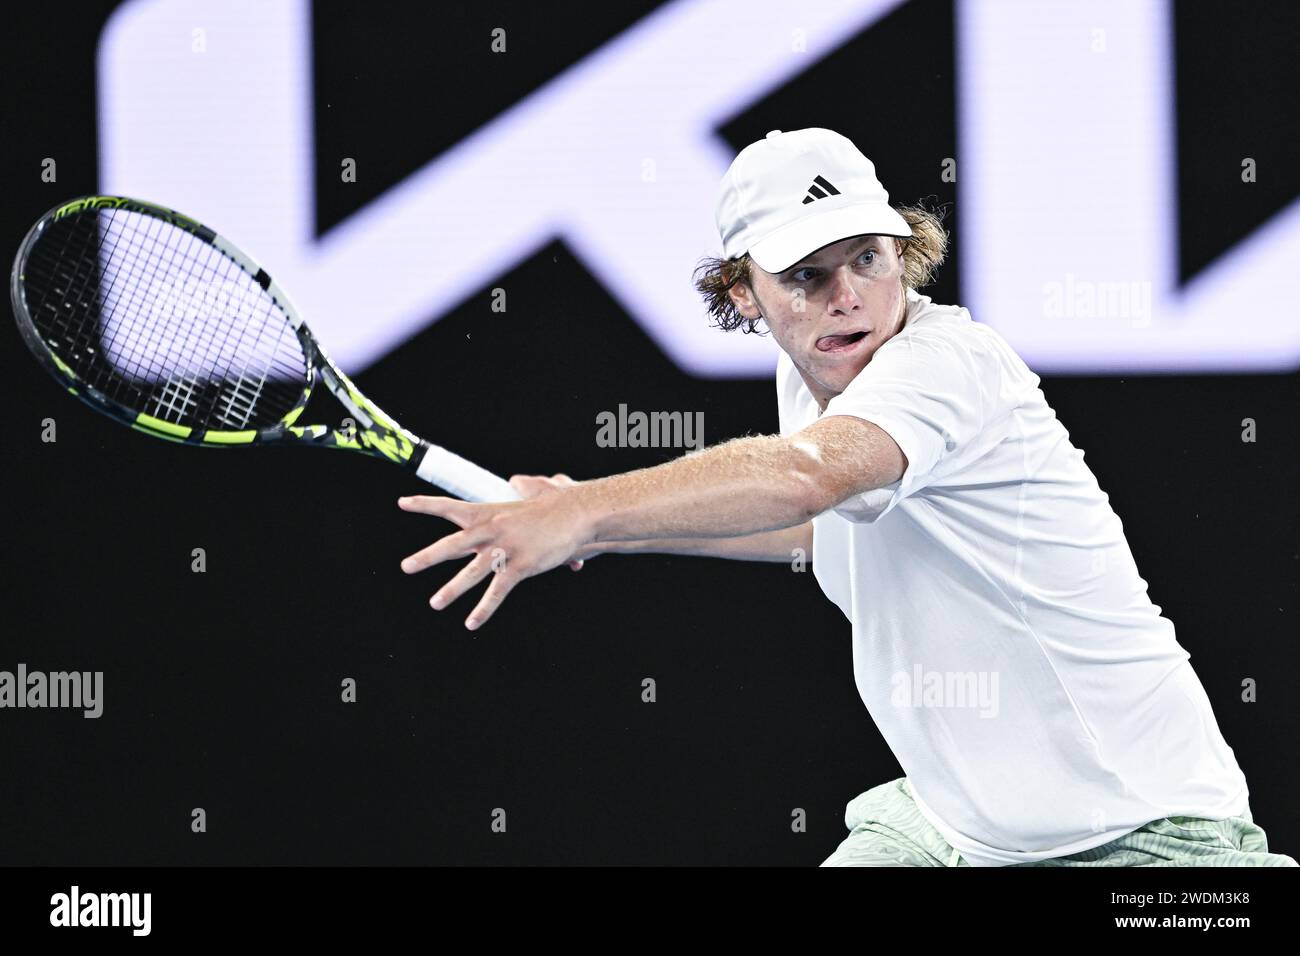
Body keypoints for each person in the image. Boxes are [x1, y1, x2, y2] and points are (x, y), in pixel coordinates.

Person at [397, 127, 1296, 867]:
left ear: (904, 250)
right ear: (743, 294)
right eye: (805, 275)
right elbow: (817, 528)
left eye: (868, 257)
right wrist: (608, 525)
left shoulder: (943, 365)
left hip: (1151, 840)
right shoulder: (824, 380)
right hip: (953, 831)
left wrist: (589, 507)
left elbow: (805, 477)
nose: (850, 296)